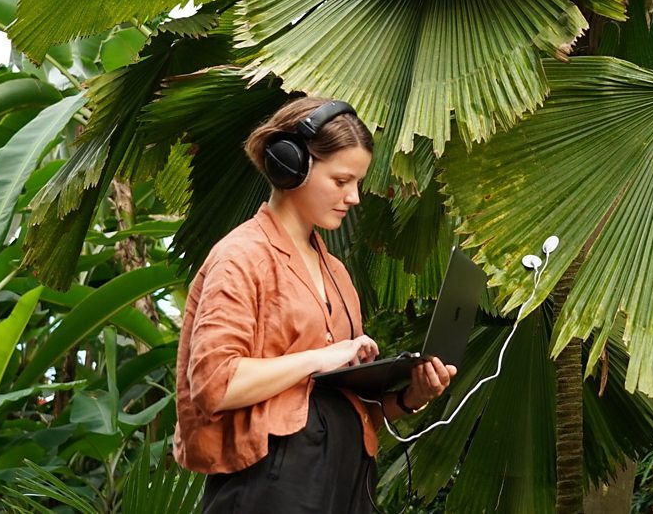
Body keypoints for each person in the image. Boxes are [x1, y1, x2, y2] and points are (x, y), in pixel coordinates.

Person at [174, 97, 457, 513]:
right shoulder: (242, 256)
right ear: (292, 167)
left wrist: (411, 396)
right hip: (275, 484)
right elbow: (215, 383)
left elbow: (344, 405)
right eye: (341, 181)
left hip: (348, 480)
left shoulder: (337, 274)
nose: (354, 197)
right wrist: (323, 356)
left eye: (357, 182)